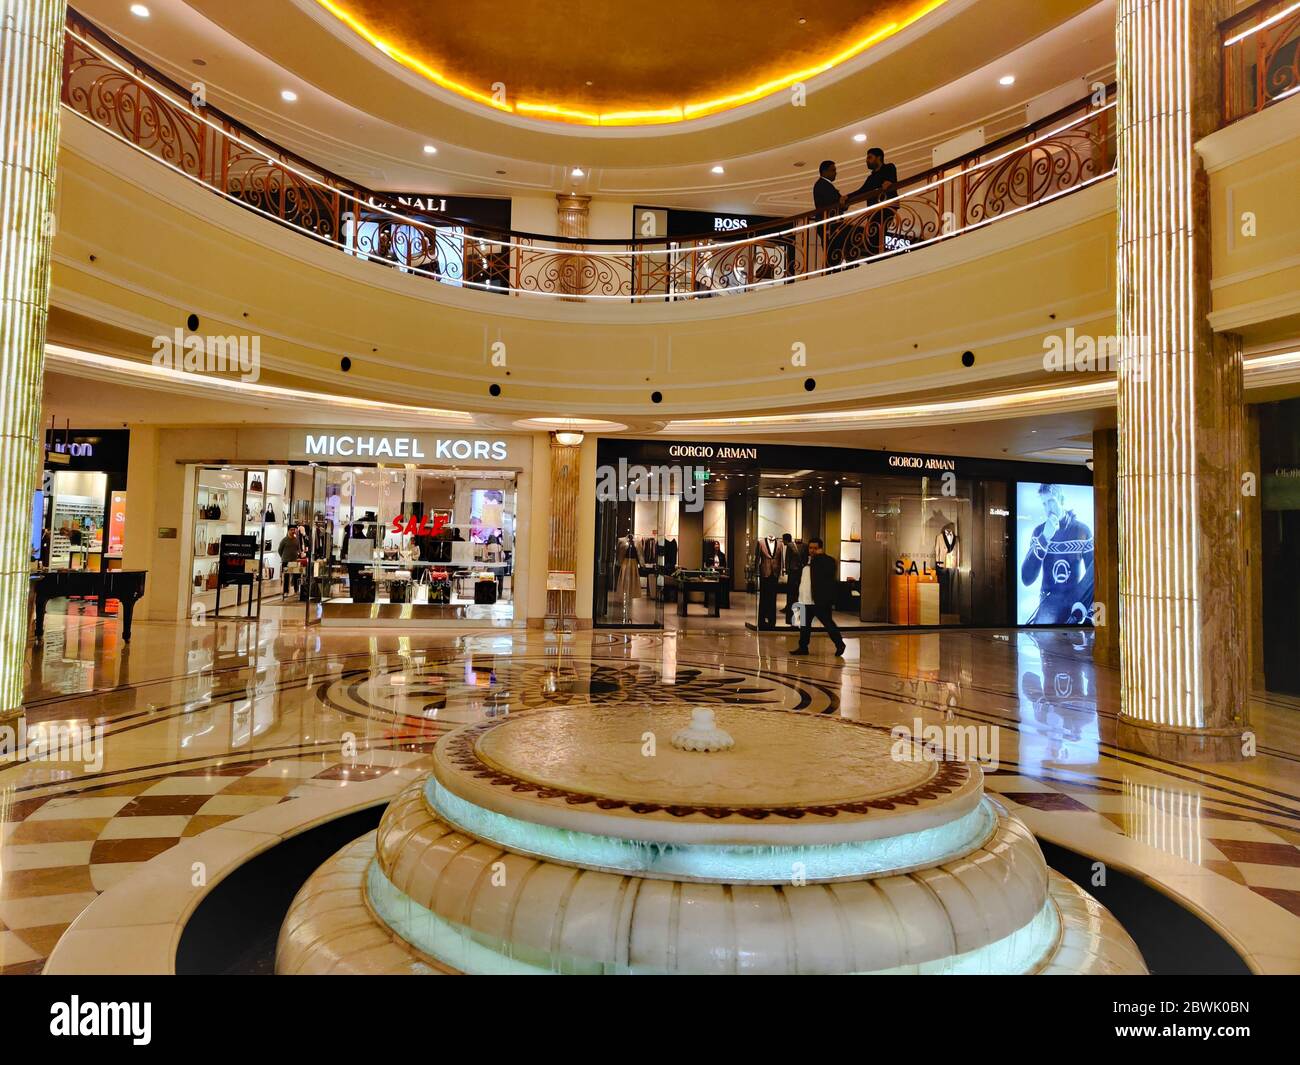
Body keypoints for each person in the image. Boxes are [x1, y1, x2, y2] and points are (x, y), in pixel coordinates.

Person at [1020, 484, 1094, 624]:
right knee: (1045, 640)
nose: (1048, 509)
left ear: (1062, 500)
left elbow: (1094, 576)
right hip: (1048, 601)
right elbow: (1026, 579)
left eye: (1051, 501)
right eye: (1044, 504)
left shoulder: (1082, 530)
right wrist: (1044, 538)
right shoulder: (1039, 532)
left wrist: (1088, 612)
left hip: (1075, 600)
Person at [791, 538, 846, 657]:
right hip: (804, 599)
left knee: (828, 623)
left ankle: (840, 644)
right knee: (804, 625)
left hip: (818, 600)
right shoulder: (805, 560)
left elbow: (829, 573)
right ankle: (803, 647)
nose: (812, 550)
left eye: (815, 548)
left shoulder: (826, 561)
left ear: (821, 549)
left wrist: (819, 557)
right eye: (810, 548)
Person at [853, 147, 898, 256]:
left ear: (879, 158)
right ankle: (876, 257)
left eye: (870, 157)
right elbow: (861, 191)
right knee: (873, 235)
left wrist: (889, 182)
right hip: (874, 210)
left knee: (878, 234)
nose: (867, 160)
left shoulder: (889, 167)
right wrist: (846, 197)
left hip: (887, 207)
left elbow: (891, 179)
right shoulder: (871, 178)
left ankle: (878, 256)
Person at [813, 160, 847, 268]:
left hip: (829, 225)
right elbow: (831, 202)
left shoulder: (824, 185)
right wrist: (840, 201)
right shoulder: (822, 185)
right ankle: (832, 271)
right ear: (824, 171)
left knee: (833, 252)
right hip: (829, 226)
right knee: (832, 251)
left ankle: (832, 270)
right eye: (833, 170)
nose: (835, 173)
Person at [781, 532, 804, 626]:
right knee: (795, 593)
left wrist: (786, 569)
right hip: (797, 571)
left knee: (791, 593)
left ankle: (791, 614)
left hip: (793, 572)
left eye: (783, 540)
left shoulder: (790, 546)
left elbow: (787, 559)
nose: (782, 542)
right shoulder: (796, 546)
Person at [277, 526, 301, 597]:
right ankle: (285, 591)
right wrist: (283, 557)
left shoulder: (296, 540)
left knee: (296, 576)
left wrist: (297, 555)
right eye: (291, 530)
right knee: (286, 577)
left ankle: (296, 591)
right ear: (288, 531)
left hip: (294, 561)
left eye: (294, 530)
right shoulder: (284, 540)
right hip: (286, 561)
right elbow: (279, 550)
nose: (293, 531)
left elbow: (298, 549)